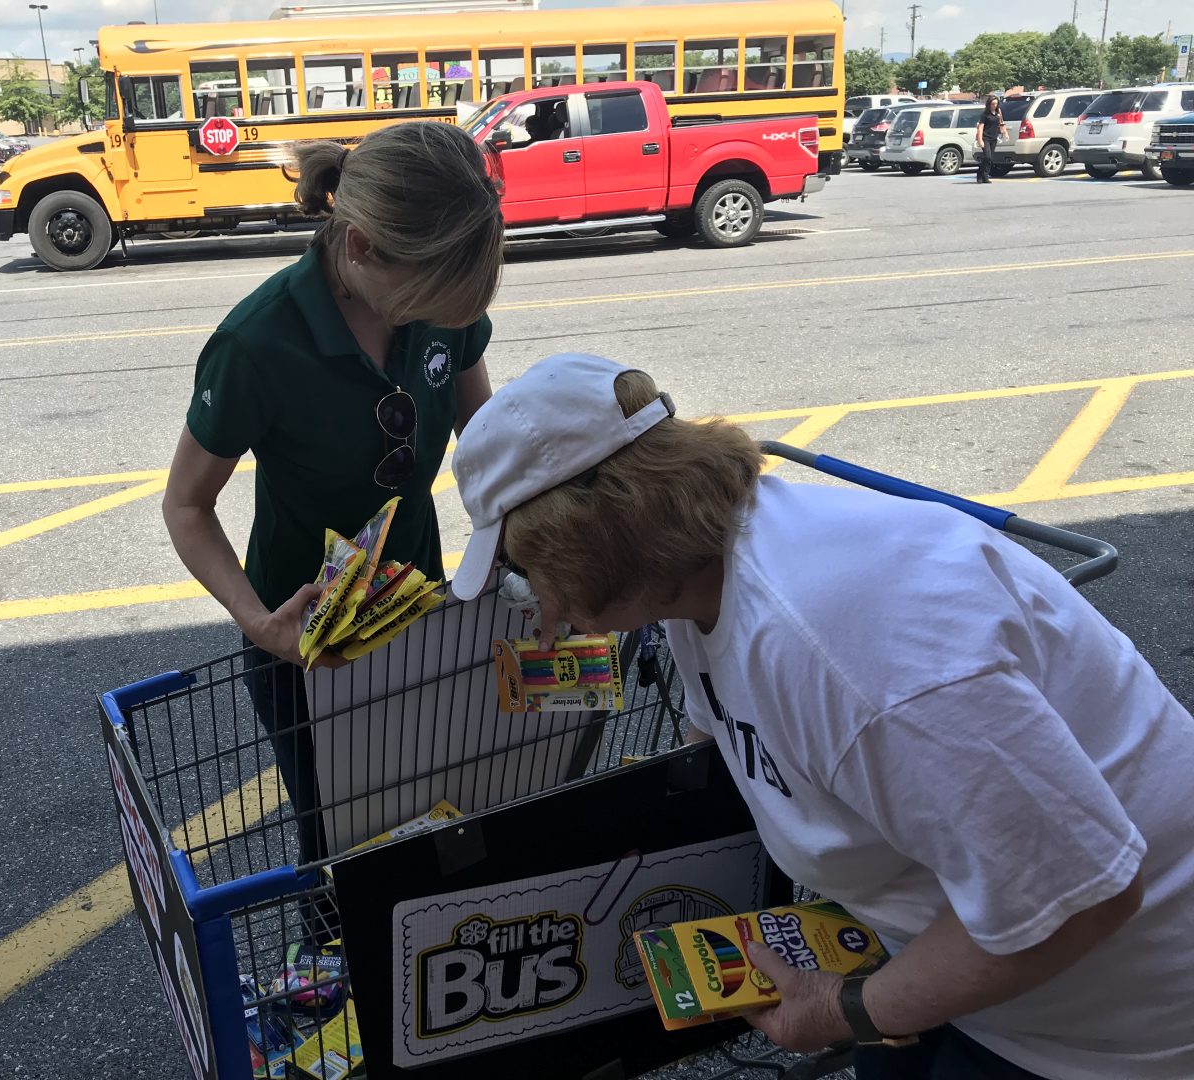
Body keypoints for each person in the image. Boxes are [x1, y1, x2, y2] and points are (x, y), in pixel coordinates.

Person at [449, 354, 1194, 1080]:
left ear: (587, 540)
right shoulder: (695, 571)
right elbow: (718, 739)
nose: (535, 602)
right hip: (958, 962)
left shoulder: (853, 651)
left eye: (525, 570)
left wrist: (844, 1010)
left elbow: (1080, 897)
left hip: (1108, 1023)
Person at [163, 122, 503, 874]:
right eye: (423, 304)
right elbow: (186, 506)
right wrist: (258, 623)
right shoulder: (257, 343)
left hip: (420, 619)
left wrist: (528, 541)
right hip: (308, 646)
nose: (439, 320)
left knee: (431, 817)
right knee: (340, 847)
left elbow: (487, 441)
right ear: (360, 248)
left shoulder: (440, 299)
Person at [975, 95, 1008, 184]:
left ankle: (985, 176)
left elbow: (1001, 123)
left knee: (990, 159)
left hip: (994, 138)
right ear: (989, 104)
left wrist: (1005, 133)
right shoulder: (985, 114)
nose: (994, 106)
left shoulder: (998, 112)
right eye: (992, 104)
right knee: (987, 156)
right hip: (985, 138)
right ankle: (979, 175)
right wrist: (980, 140)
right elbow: (980, 128)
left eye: (996, 104)